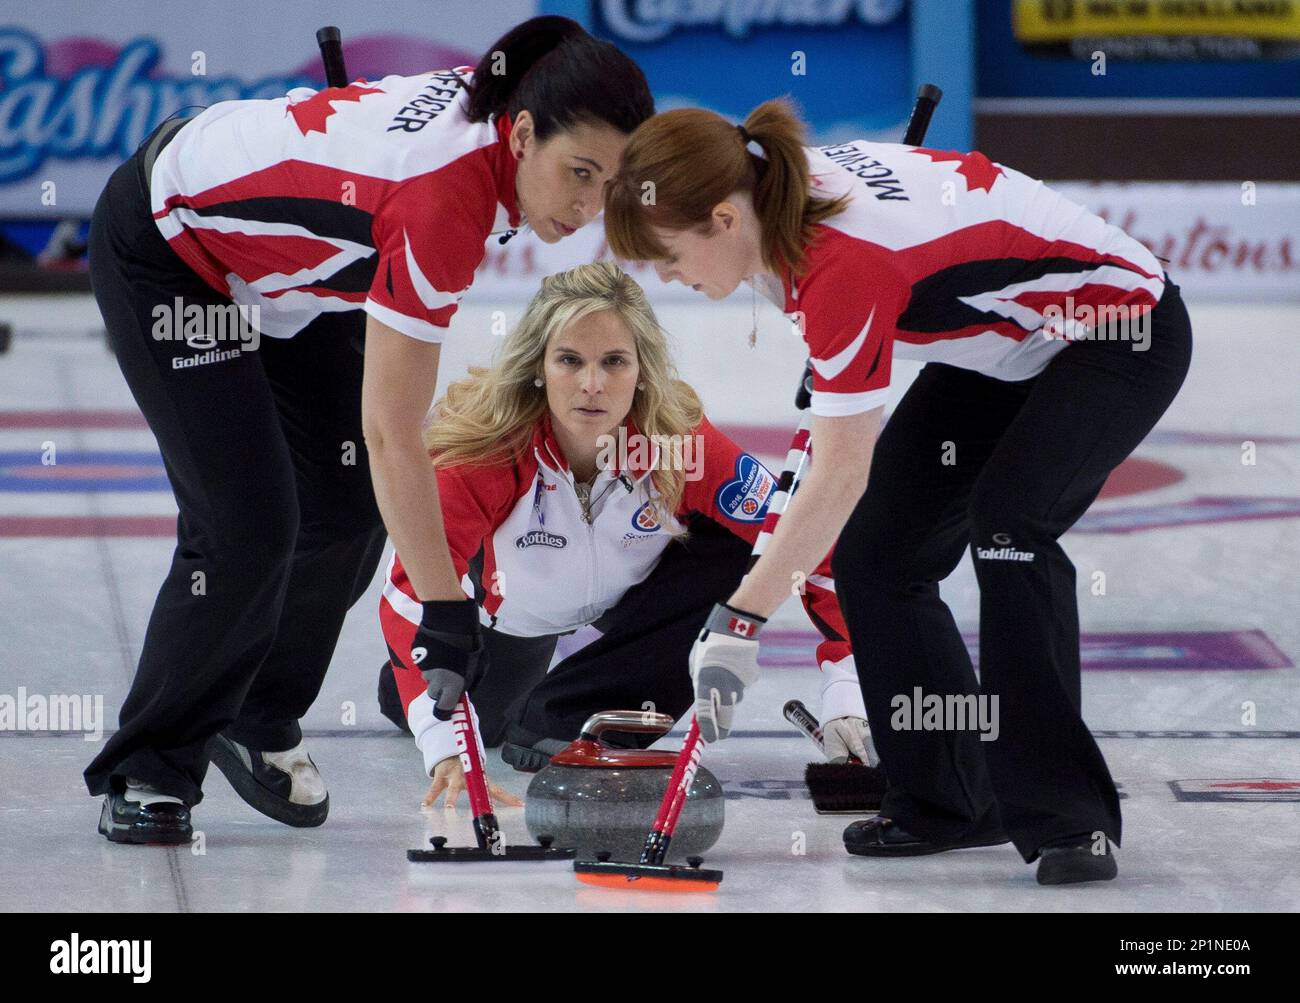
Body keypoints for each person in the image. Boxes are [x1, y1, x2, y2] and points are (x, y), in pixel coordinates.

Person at [84, 16, 655, 844]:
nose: (589, 205)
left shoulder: (499, 128)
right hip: (175, 254)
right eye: (578, 173)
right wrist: (444, 605)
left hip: (293, 272)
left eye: (609, 182)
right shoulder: (446, 202)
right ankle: (149, 766)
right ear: (522, 132)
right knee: (245, 526)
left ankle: (257, 712)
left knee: (348, 499)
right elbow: (392, 428)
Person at [603, 100, 1192, 884]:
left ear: (720, 219)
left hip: (1120, 332)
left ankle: (1069, 816)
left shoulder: (837, 262)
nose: (669, 278)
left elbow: (841, 471)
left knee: (1009, 527)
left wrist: (741, 618)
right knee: (879, 551)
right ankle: (952, 798)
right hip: (1012, 347)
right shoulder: (778, 196)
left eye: (667, 257)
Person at [376, 262, 871, 806]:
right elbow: (410, 597)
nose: (592, 385)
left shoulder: (678, 444)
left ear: (642, 369)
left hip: (631, 601)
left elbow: (802, 538)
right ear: (538, 366)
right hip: (503, 622)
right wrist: (442, 740)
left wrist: (848, 686)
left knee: (743, 544)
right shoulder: (485, 452)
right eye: (570, 360)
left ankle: (577, 717)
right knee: (468, 715)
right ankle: (404, 691)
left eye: (614, 362)